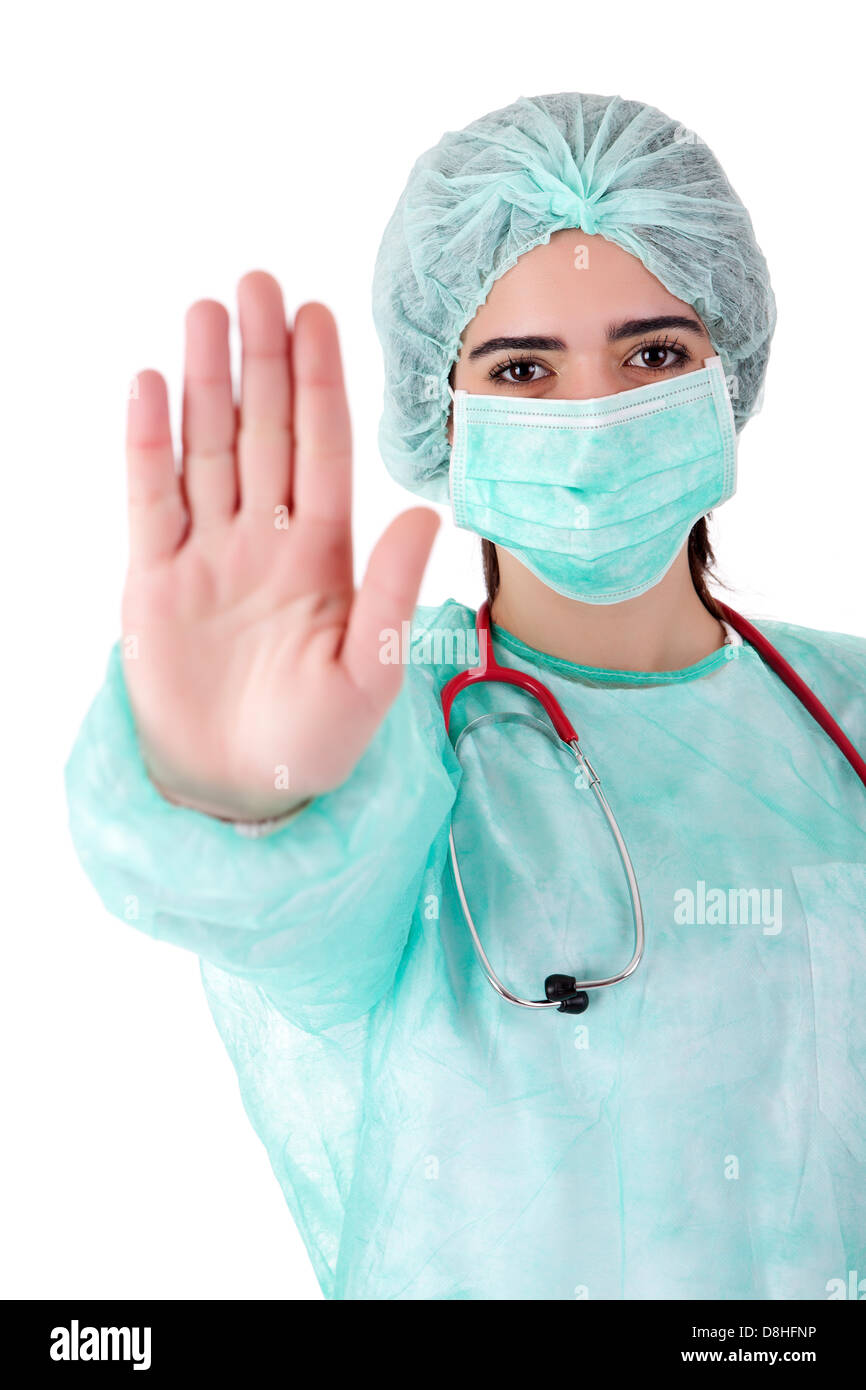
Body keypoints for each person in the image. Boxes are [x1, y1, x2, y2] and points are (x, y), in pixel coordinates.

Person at [65, 92, 866, 1301]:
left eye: (652, 353)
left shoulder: (843, 709)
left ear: (727, 374)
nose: (590, 412)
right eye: (521, 368)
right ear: (445, 412)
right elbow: (285, 908)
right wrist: (239, 790)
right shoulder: (399, 724)